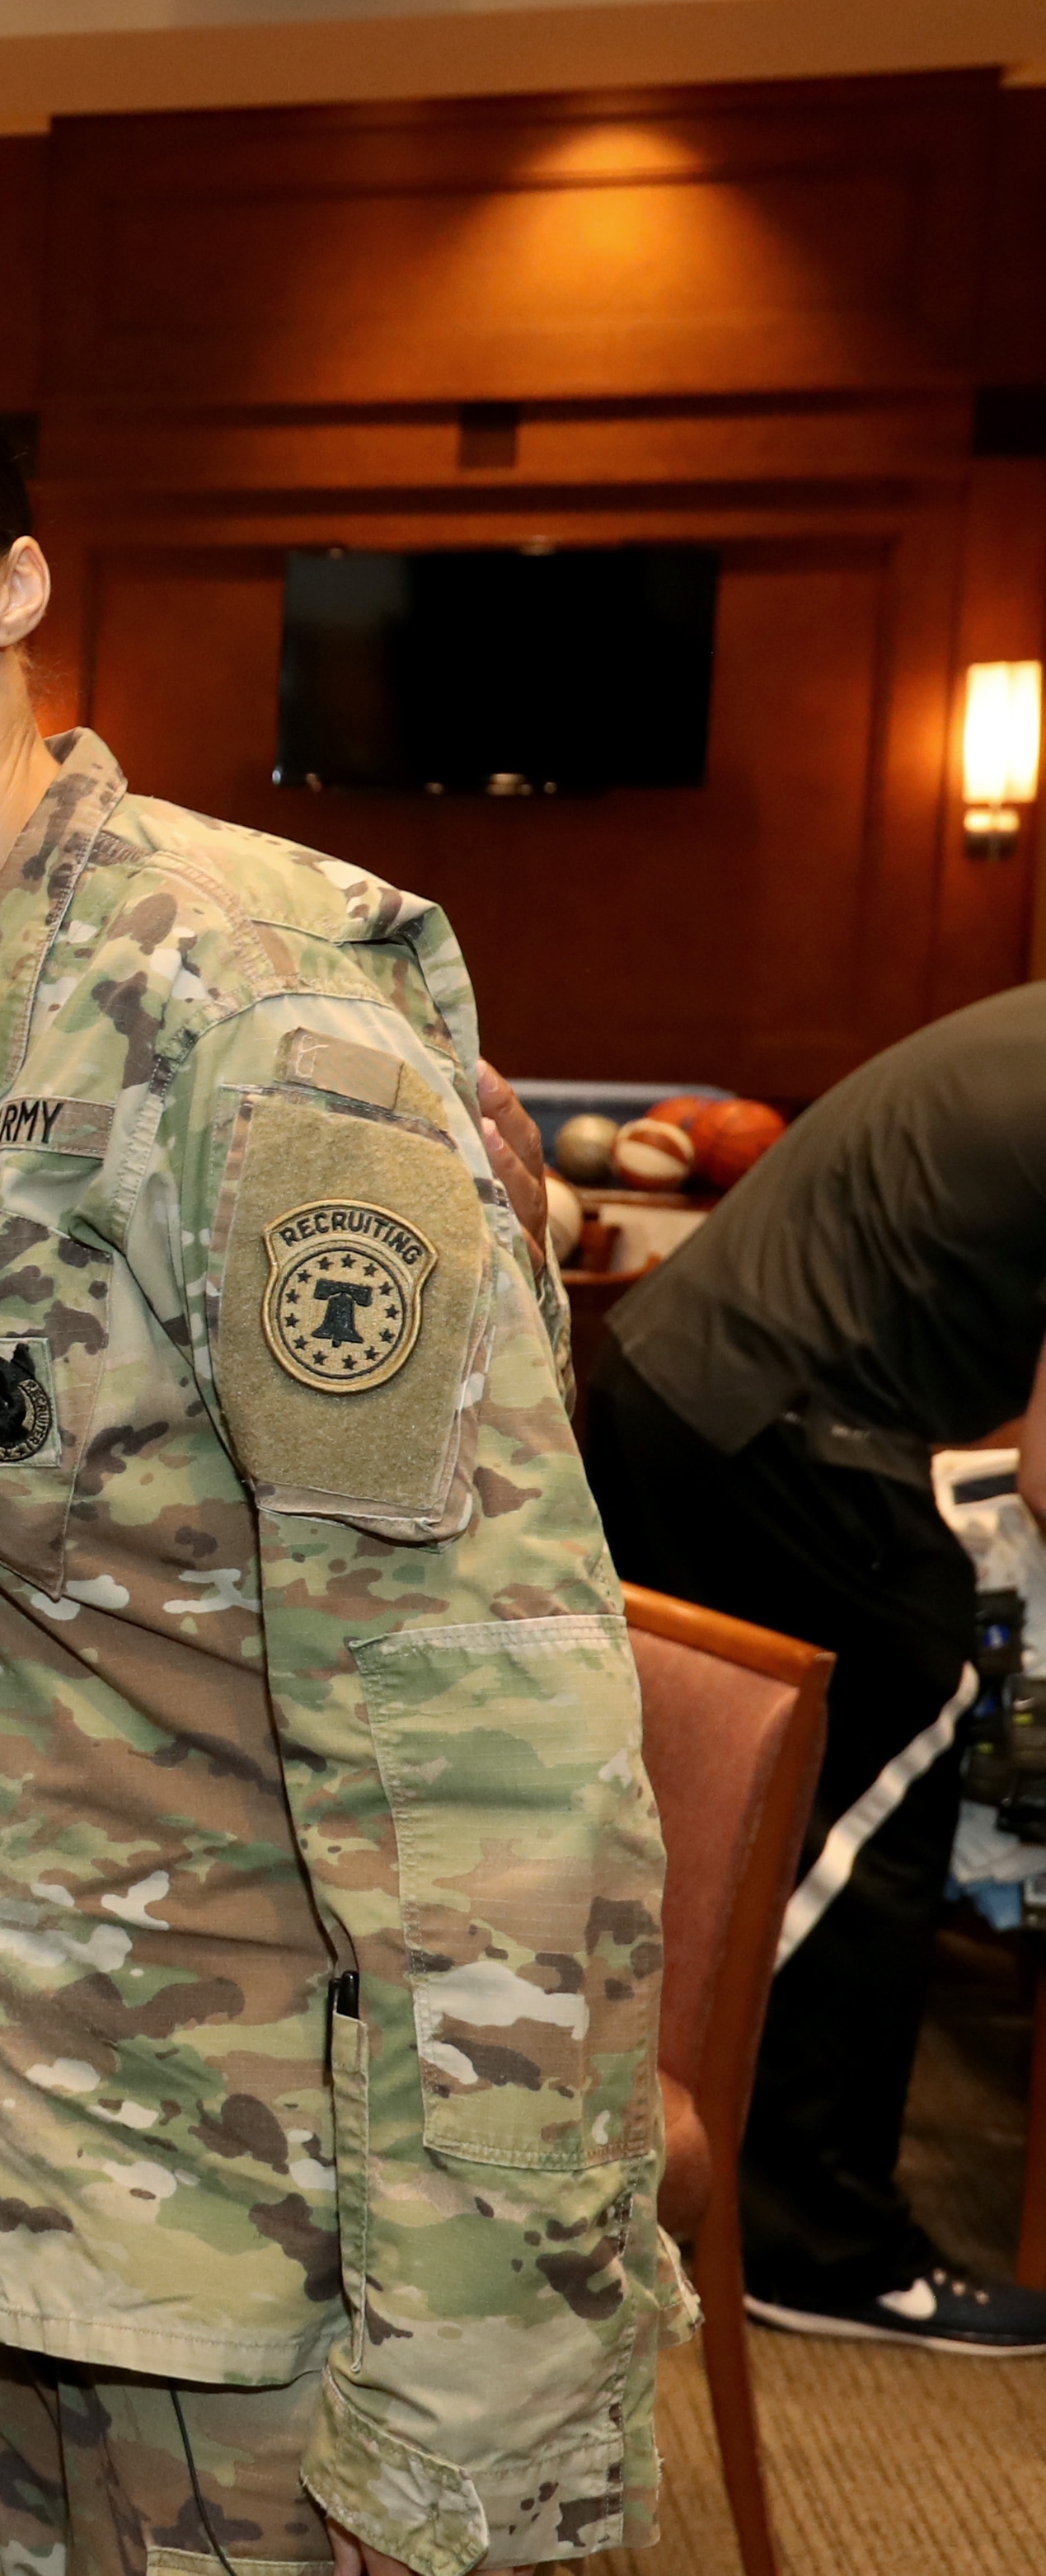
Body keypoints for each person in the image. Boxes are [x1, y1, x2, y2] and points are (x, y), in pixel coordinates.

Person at [0, 354, 668, 2576]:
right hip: (45, 2214)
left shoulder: (243, 1016)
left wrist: (468, 2377)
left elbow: (489, 1740)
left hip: (291, 2253)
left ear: (15, 583)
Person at [575, 987, 1046, 2353]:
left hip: (678, 1378)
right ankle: (810, 2242)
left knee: (737, 1827)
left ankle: (656, 2172)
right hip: (777, 1425)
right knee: (875, 1795)